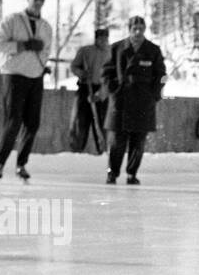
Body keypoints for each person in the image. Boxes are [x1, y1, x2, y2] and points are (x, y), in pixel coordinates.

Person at [0, 0, 53, 182]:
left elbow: (46, 49)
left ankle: (21, 164)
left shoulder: (45, 26)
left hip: (35, 76)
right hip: (14, 74)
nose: (38, 1)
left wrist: (42, 65)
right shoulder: (12, 20)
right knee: (13, 121)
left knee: (32, 122)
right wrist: (22, 46)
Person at [101, 16, 166, 185]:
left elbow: (163, 76)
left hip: (143, 102)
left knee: (138, 142)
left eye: (141, 29)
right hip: (121, 101)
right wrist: (113, 90)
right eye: (134, 28)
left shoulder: (153, 50)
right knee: (117, 142)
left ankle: (132, 173)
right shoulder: (117, 48)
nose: (137, 32)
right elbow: (106, 73)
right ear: (129, 29)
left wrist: (155, 94)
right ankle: (112, 172)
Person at [69, 27, 111, 152]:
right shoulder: (85, 51)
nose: (103, 41)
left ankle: (103, 151)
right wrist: (81, 73)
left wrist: (102, 93)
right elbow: (74, 66)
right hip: (85, 88)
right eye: (100, 39)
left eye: (105, 39)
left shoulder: (111, 54)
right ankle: (77, 150)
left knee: (102, 124)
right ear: (96, 39)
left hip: (102, 91)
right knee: (80, 122)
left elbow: (112, 77)